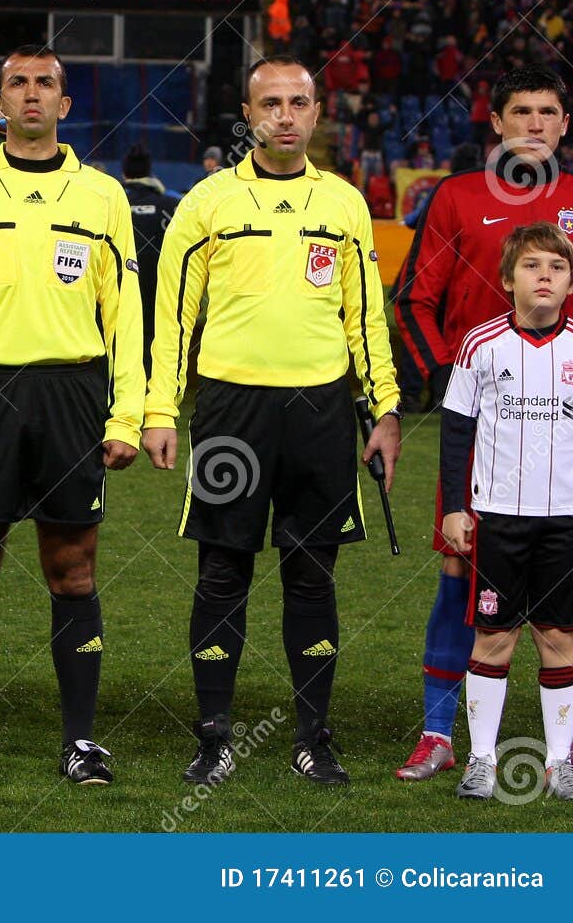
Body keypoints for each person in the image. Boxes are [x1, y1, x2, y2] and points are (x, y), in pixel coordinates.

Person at [144, 56, 401, 786]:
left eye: (298, 102)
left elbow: (366, 319)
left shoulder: (346, 205)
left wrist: (384, 407)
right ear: (247, 113)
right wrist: (161, 409)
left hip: (320, 411)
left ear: (318, 113)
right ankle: (215, 737)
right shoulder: (207, 202)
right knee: (222, 571)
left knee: (313, 576)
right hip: (232, 408)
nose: (285, 115)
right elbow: (173, 317)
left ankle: (313, 738)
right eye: (270, 103)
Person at [0, 46, 143, 786]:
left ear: (65, 105)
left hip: (73, 394)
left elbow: (126, 315)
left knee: (72, 570)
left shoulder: (103, 197)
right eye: (18, 82)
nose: (33, 93)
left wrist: (126, 414)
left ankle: (80, 742)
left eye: (47, 83)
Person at [390, 65, 573, 781]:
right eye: (520, 110)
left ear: (563, 124)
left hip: (563, 423)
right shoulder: (457, 196)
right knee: (459, 568)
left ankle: (559, 749)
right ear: (495, 122)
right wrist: (450, 379)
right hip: (485, 431)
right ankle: (441, 734)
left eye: (548, 111)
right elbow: (414, 301)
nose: (534, 122)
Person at [439, 223, 573, 800]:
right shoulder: (480, 344)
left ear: (570, 282)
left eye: (557, 267)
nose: (544, 275)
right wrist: (453, 510)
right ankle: (481, 760)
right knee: (494, 639)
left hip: (566, 520)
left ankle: (561, 762)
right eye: (531, 266)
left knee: (561, 639)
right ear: (506, 279)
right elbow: (454, 432)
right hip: (498, 518)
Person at [121, 144, 179, 375]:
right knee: (154, 343)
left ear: (124, 173)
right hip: (158, 291)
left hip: (120, 289)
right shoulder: (170, 206)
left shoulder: (115, 203)